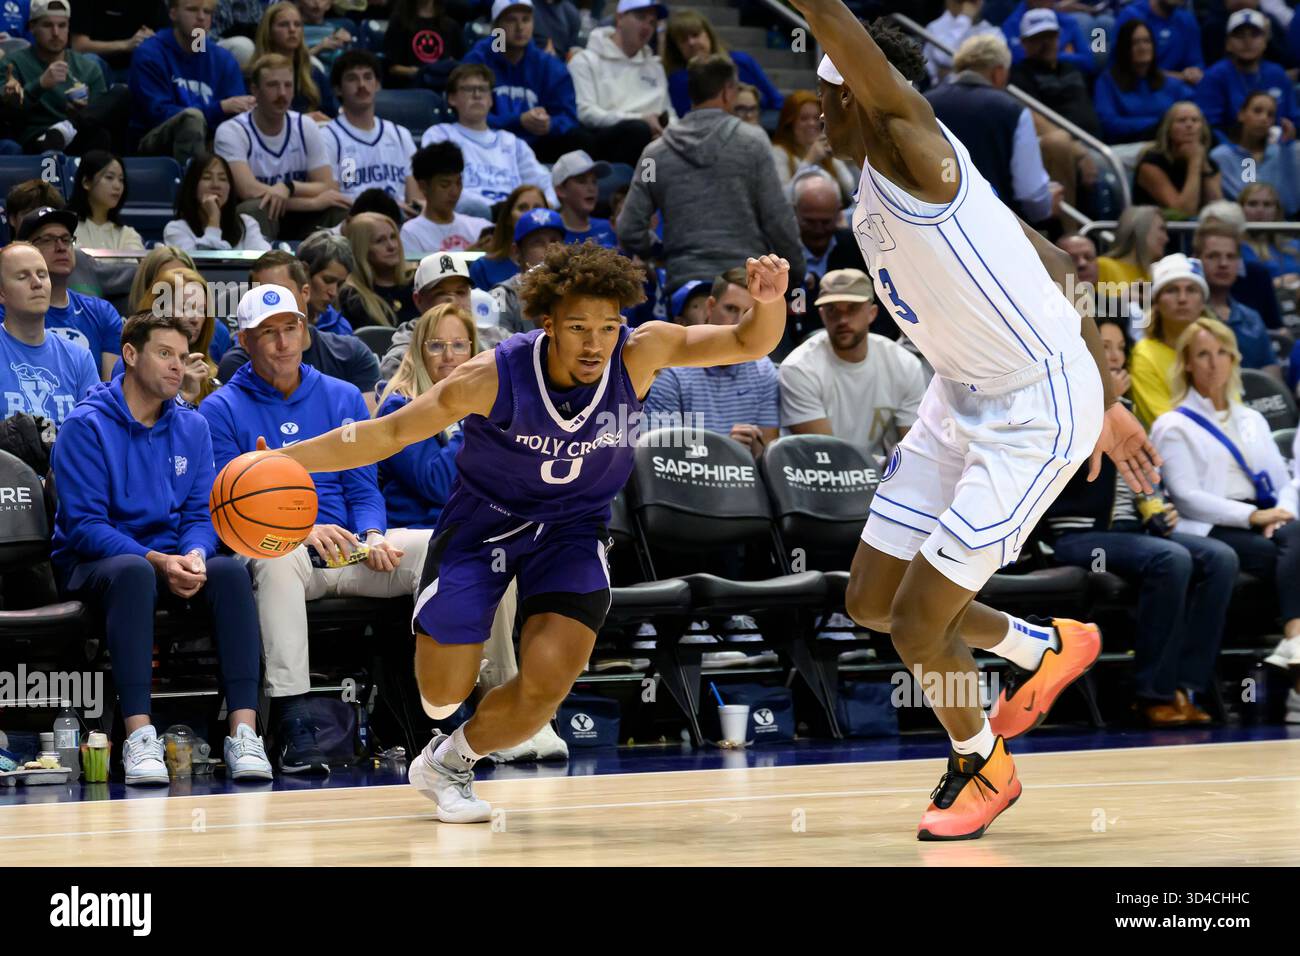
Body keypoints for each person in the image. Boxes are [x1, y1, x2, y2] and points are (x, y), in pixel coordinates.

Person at [253, 239, 791, 820]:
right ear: (548, 323)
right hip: (483, 528)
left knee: (543, 691)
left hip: (572, 532)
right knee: (441, 696)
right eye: (579, 327)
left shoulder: (642, 352)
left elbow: (748, 340)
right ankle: (443, 697)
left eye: (608, 327)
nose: (595, 343)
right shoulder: (492, 375)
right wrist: (288, 460)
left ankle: (449, 762)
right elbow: (388, 434)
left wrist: (770, 301)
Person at [786, 0, 1156, 841]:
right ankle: (1040, 647)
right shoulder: (885, 188)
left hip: (1034, 410)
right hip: (955, 397)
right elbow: (1063, 262)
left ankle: (980, 761)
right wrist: (1117, 399)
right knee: (875, 600)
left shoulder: (918, 150)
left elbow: (840, 30)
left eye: (827, 95)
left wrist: (1101, 403)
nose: (814, 113)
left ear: (856, 93)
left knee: (921, 624)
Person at [201, 283, 433, 774]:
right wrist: (301, 530)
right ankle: (294, 718)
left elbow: (365, 489)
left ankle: (439, 703)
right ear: (244, 341)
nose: (283, 342)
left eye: (291, 329)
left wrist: (372, 536)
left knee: (434, 547)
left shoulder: (342, 395)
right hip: (282, 550)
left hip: (350, 549)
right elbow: (223, 508)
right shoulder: (220, 409)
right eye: (268, 334)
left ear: (305, 332)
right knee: (275, 555)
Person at [50, 311, 271, 783]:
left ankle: (244, 732)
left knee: (230, 572)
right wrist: (157, 559)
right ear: (129, 355)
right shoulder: (85, 426)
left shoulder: (192, 427)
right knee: (132, 571)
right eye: (164, 354)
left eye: (182, 356)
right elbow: (84, 525)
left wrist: (193, 554)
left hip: (168, 558)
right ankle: (138, 736)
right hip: (94, 564)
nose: (177, 367)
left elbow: (199, 515)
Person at [1044, 311, 1236, 727]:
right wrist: (1097, 405)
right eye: (1103, 348)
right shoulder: (1059, 404)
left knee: (1220, 558)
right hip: (1079, 536)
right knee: (1171, 559)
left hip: (1132, 533)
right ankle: (1151, 693)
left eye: (1118, 349)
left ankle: (1188, 686)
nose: (1112, 356)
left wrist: (1158, 505)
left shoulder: (1128, 411)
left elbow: (1144, 478)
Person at [1151, 316, 1300, 693]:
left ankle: (1295, 643)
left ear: (1234, 359)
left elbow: (1282, 482)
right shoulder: (1173, 424)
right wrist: (1252, 515)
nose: (1214, 362)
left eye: (1222, 353)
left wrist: (1278, 514)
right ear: (1187, 363)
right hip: (1210, 525)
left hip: (1265, 521)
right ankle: (1292, 643)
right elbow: (1186, 496)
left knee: (1295, 534)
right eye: (1203, 354)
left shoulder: (1253, 419)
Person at [617, 54, 804, 296]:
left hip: (685, 286)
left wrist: (661, 251)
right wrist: (797, 270)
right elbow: (778, 220)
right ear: (727, 92)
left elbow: (628, 229)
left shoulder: (656, 153)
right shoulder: (753, 142)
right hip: (744, 284)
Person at [778, 269, 926, 462]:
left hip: (877, 476)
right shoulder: (798, 368)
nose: (843, 320)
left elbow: (912, 449)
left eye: (852, 308)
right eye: (832, 310)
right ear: (822, 314)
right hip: (814, 476)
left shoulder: (905, 364)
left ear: (872, 313)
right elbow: (825, 453)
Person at [642, 266, 777, 460]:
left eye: (748, 313)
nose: (739, 322)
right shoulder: (670, 370)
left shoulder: (764, 369)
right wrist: (721, 450)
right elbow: (658, 455)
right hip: (685, 485)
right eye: (731, 309)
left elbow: (769, 453)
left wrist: (757, 448)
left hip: (746, 484)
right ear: (711, 306)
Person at [213, 53, 351, 241]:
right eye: (273, 85)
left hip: (299, 219)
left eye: (288, 85)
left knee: (339, 207)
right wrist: (312, 203)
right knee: (257, 207)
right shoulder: (232, 131)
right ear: (255, 90)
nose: (282, 94)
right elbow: (248, 190)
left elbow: (327, 185)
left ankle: (329, 267)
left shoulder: (305, 125)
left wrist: (289, 187)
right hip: (256, 216)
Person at [925, 34, 1057, 226]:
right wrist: (1048, 205)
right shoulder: (1013, 110)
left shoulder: (924, 102)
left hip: (935, 225)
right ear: (999, 73)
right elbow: (1031, 193)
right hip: (995, 229)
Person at [216, 251, 380, 406]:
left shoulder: (351, 353)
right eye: (263, 295)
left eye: (280, 293)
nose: (273, 303)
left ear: (305, 292)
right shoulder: (237, 363)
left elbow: (367, 426)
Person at [420, 64, 557, 219]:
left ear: (491, 99)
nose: (477, 95)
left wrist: (546, 205)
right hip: (466, 220)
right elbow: (441, 187)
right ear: (452, 98)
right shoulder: (440, 134)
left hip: (514, 223)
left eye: (483, 89)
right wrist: (493, 210)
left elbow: (545, 181)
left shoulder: (512, 142)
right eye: (468, 89)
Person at [129, 0, 254, 165]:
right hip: (154, 142)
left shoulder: (222, 59)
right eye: (192, 10)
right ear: (173, 13)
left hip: (209, 141)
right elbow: (157, 114)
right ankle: (190, 186)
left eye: (207, 12)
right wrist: (218, 109)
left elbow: (238, 112)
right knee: (192, 119)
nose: (201, 17)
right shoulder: (151, 53)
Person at [3, 0, 130, 156]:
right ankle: (66, 130)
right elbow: (7, 113)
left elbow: (100, 114)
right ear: (32, 28)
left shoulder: (87, 67)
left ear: (69, 28)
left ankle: (68, 127)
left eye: (62, 26)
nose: (56, 33)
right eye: (48, 25)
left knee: (121, 93)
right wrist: (40, 85)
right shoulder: (13, 63)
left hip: (79, 135)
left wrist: (79, 114)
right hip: (38, 141)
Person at [462, 0, 581, 164]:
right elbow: (466, 115)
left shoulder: (547, 65)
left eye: (526, 20)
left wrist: (550, 124)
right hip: (487, 144)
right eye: (511, 20)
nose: (520, 27)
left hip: (537, 146)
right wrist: (518, 121)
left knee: (579, 138)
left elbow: (568, 116)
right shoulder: (478, 60)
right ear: (496, 26)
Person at [12, 206, 124, 380]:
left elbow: (110, 389)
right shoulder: (10, 310)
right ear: (26, 251)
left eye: (66, 239)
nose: (61, 247)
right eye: (48, 240)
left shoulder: (102, 313)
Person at [0, 242, 99, 426]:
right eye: (22, 277)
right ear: (2, 292)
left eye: (42, 275)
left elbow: (92, 435)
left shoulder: (80, 358)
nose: (37, 283)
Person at [568, 0, 675, 167]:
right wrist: (641, 120)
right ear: (619, 18)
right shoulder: (585, 60)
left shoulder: (655, 66)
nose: (647, 27)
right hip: (610, 140)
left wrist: (667, 132)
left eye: (652, 22)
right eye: (640, 17)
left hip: (654, 144)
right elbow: (586, 113)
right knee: (638, 132)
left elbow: (669, 113)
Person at [322, 50, 421, 208]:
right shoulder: (329, 137)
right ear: (338, 89)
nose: (362, 85)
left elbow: (416, 199)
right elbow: (334, 201)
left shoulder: (400, 135)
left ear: (378, 84)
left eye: (368, 77)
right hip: (355, 224)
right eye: (352, 79)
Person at [1130, 252, 1214, 425]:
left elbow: (1232, 406)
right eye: (1172, 290)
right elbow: (1167, 427)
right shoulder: (1144, 354)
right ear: (1157, 302)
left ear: (1202, 303)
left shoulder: (1218, 348)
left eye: (1191, 290)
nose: (1182, 299)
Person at [1196, 219, 1280, 380]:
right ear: (1196, 260)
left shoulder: (1252, 319)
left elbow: (1272, 380)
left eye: (1230, 257)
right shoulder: (1185, 318)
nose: (1223, 264)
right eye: (1213, 256)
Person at [662, 8, 782, 118]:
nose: (691, 43)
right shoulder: (678, 80)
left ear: (708, 34)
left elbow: (776, 101)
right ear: (676, 48)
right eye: (683, 40)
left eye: (695, 35)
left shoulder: (741, 61)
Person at [1197, 9, 1298, 140]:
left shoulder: (1277, 74)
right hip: (1231, 151)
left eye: (1254, 35)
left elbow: (1294, 117)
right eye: (1240, 35)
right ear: (1228, 44)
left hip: (1277, 149)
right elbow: (1210, 126)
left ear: (1265, 41)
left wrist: (1291, 132)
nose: (1247, 41)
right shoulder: (1215, 76)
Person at [1093, 18, 1196, 144]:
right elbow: (1110, 123)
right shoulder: (1107, 82)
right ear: (1124, 48)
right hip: (1128, 147)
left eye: (1147, 41)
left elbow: (1193, 108)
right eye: (1135, 42)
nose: (1142, 47)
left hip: (1169, 144)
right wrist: (1160, 124)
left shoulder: (1167, 81)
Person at [380, 251, 477, 377]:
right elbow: (392, 373)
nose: (452, 301)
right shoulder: (408, 341)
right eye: (441, 293)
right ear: (418, 300)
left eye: (460, 292)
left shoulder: (492, 334)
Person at [134, 266, 221, 404]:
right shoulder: (135, 362)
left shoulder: (211, 375)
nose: (195, 319)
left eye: (201, 310)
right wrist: (184, 396)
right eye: (185, 308)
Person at [164, 151, 272, 252]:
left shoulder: (246, 224)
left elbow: (264, 262)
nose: (216, 185)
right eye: (207, 178)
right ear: (192, 186)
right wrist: (213, 219)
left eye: (223, 179)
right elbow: (205, 266)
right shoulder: (176, 230)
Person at [1211, 91, 1300, 215]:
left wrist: (1287, 151)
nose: (1264, 118)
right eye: (1257, 111)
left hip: (1279, 229)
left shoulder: (1282, 153)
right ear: (1241, 114)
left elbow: (1292, 205)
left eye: (1270, 115)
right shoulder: (1221, 156)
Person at [1131, 101, 1222, 216]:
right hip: (1157, 227)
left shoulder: (1210, 164)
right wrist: (1194, 163)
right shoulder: (1151, 163)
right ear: (1168, 129)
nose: (1189, 125)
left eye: (1195, 120)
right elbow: (1182, 213)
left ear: (1202, 128)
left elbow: (1218, 210)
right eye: (1181, 120)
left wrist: (1203, 166)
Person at [400, 143, 493, 255]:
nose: (454, 192)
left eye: (459, 183)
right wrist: (468, 255)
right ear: (423, 186)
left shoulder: (480, 227)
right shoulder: (411, 233)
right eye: (445, 185)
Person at [770, 91, 858, 206]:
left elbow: (850, 190)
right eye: (804, 118)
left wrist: (833, 159)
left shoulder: (823, 148)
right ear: (790, 122)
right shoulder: (778, 152)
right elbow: (781, 199)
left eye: (816, 118)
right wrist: (810, 160)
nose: (812, 123)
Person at [252, 2, 335, 121]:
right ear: (269, 32)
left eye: (297, 25)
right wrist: (301, 120)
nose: (292, 30)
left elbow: (331, 114)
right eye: (284, 25)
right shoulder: (254, 74)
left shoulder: (313, 73)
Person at [338, 212, 417, 329]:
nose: (392, 246)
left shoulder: (416, 279)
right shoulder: (352, 296)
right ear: (362, 250)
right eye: (380, 241)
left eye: (393, 237)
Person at [468, 184, 548, 290]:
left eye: (537, 208)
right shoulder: (483, 268)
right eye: (522, 208)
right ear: (508, 218)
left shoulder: (559, 266)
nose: (530, 214)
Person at [67, 152, 144, 252]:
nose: (117, 186)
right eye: (109, 177)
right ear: (86, 182)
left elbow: (133, 266)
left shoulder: (127, 234)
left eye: (121, 180)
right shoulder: (67, 230)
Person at [1114, 0, 1205, 85]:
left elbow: (1196, 64)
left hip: (1178, 92)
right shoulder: (1131, 16)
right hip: (1136, 90)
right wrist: (1180, 77)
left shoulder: (1188, 21)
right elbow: (1127, 70)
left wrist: (1194, 73)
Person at [1096, 204, 1168, 309]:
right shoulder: (1103, 265)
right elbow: (1094, 307)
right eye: (1161, 229)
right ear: (1140, 229)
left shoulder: (1154, 274)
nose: (1166, 238)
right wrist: (1124, 299)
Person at [71, 1, 165, 79]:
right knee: (88, 61)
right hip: (99, 66)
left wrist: (153, 38)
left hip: (136, 67)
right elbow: (79, 46)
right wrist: (126, 45)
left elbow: (166, 37)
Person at [382, 0, 464, 89]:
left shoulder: (451, 26)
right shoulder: (398, 23)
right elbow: (392, 68)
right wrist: (420, 73)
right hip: (410, 89)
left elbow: (462, 65)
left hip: (444, 87)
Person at [1002, 0, 1097, 74]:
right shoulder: (1012, 23)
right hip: (1029, 84)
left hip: (1066, 81)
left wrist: (1054, 56)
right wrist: (1062, 55)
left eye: (1052, 37)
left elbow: (1088, 62)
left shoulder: (1068, 22)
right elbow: (1016, 60)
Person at [923, 0, 1003, 86]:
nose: (968, 5)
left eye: (973, 2)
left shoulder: (994, 33)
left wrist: (953, 72)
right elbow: (943, 57)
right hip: (935, 88)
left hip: (975, 91)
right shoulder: (936, 26)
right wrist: (964, 19)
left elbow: (990, 73)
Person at [297, 229, 355, 335]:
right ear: (304, 272)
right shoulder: (274, 321)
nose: (334, 293)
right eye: (327, 280)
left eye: (340, 284)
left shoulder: (341, 329)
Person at [552, 150, 614, 248]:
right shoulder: (550, 234)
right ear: (561, 190)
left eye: (594, 181)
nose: (591, 188)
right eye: (581, 181)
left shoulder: (607, 227)